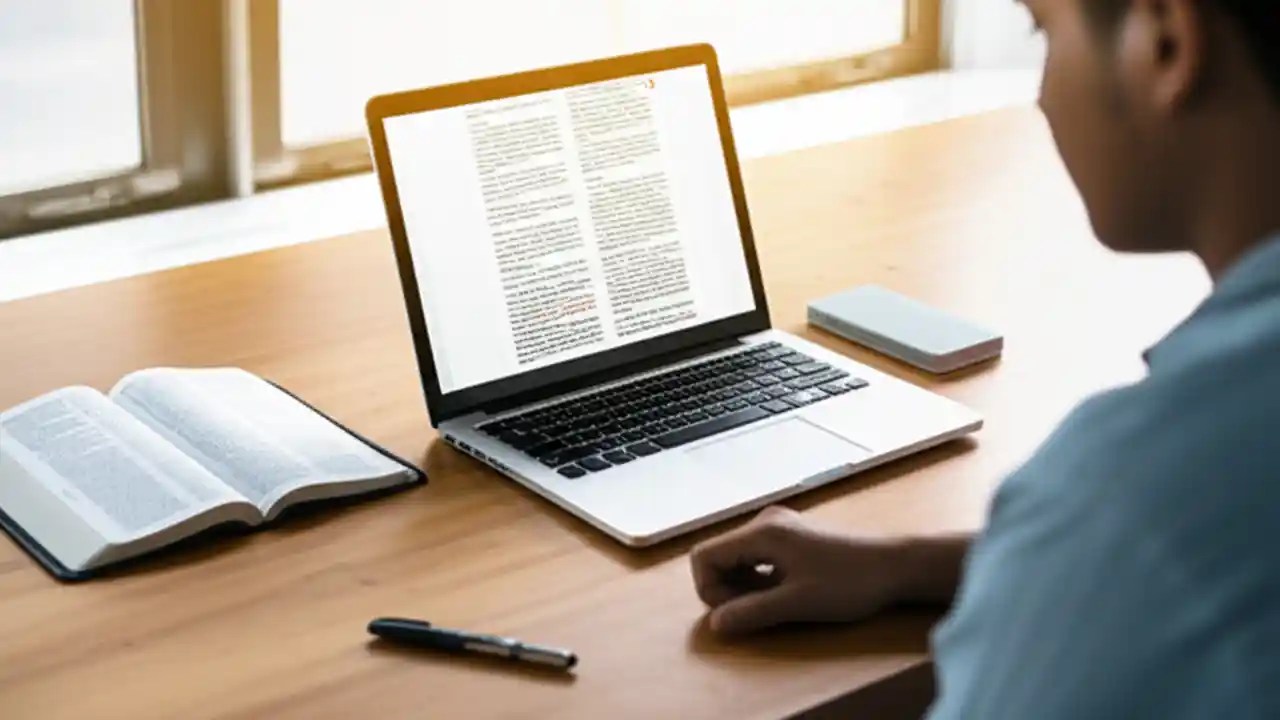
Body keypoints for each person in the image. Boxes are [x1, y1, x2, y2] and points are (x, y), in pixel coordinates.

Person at [689, 0, 1280, 716]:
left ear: (1165, 42)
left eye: (1043, 31)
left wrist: (1054, 543)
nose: (1039, 95)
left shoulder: (1133, 498)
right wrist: (906, 567)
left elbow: (1153, 546)